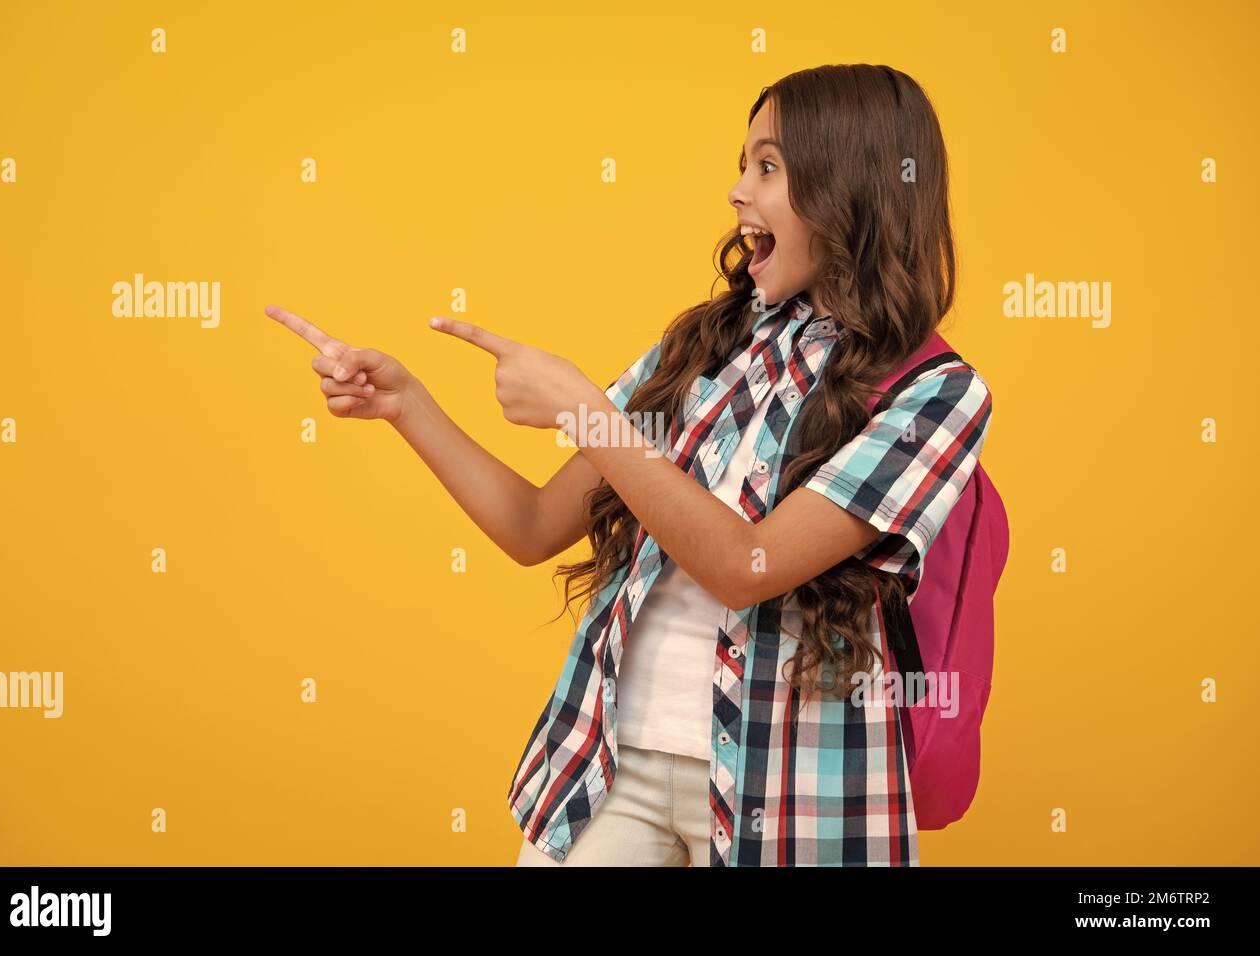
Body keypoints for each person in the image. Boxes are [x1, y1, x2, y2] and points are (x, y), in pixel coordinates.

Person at [265, 63, 994, 867]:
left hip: (797, 796)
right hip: (614, 767)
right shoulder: (704, 350)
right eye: (742, 163)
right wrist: (407, 405)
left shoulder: (937, 394)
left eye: (768, 166)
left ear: (848, 183)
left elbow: (749, 566)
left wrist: (586, 407)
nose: (737, 192)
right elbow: (534, 525)